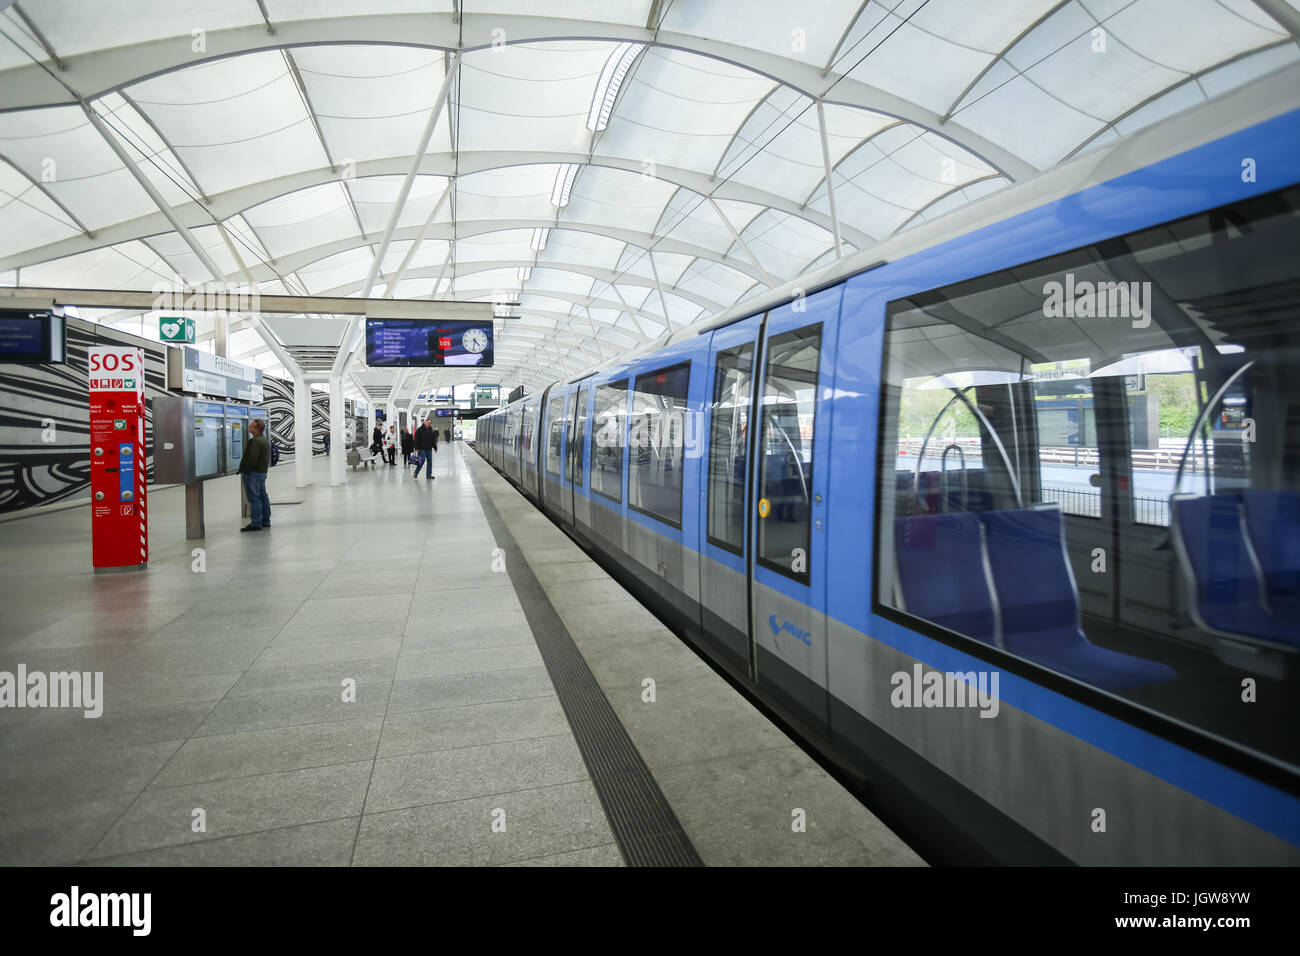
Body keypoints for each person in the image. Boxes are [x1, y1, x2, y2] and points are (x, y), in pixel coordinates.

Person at [239, 419, 272, 532]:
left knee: (254, 498)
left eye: (251, 426)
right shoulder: (264, 440)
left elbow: (252, 459)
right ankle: (266, 520)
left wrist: (245, 470)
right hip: (261, 472)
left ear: (257, 429)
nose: (249, 427)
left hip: (254, 473)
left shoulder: (255, 442)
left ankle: (256, 522)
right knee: (263, 495)